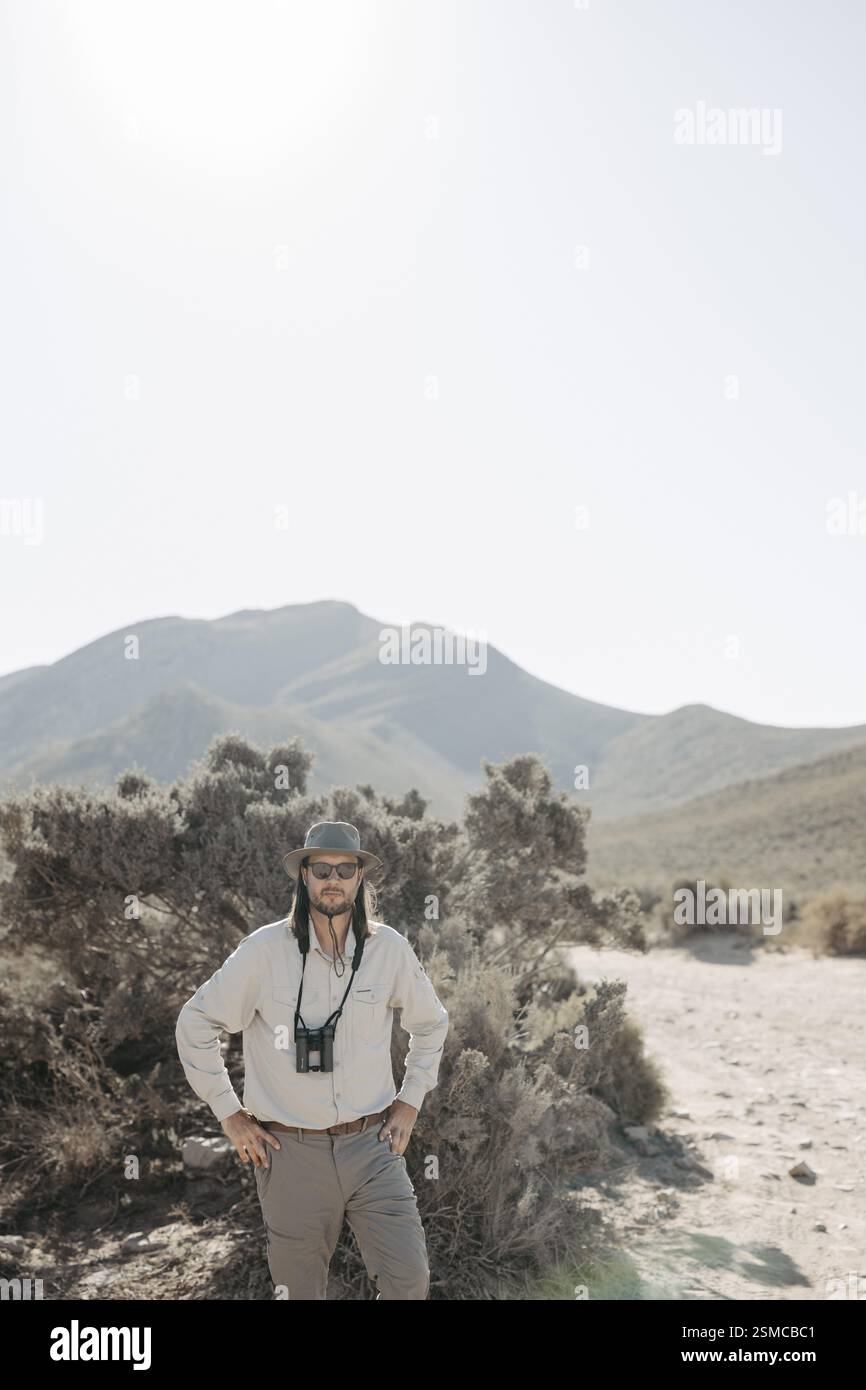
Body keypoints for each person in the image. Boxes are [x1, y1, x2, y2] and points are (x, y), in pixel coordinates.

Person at [175, 820, 449, 1300]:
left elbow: (431, 1023)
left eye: (346, 869)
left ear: (360, 878)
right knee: (299, 1291)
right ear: (303, 875)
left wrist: (410, 1101)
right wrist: (230, 1114)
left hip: (373, 1145)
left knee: (409, 1282)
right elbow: (195, 1023)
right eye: (321, 868)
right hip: (289, 1153)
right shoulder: (262, 951)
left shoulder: (388, 949)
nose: (333, 879)